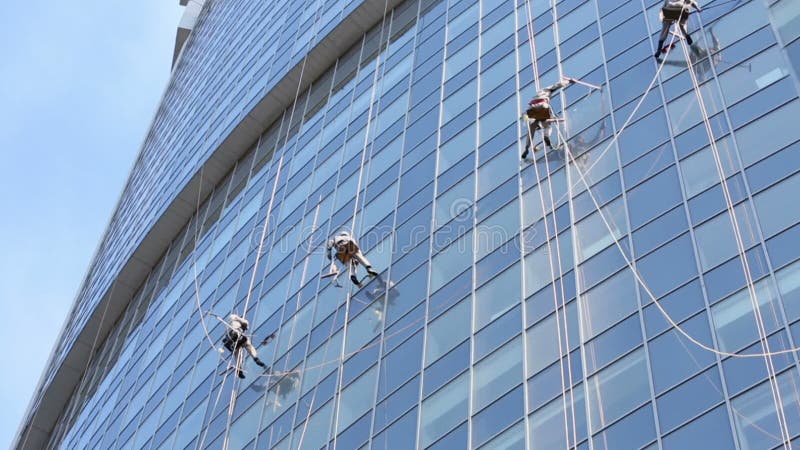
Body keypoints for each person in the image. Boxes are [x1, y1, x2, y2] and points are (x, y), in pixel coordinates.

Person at [521, 77, 577, 159]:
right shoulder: (547, 91)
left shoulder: (535, 97)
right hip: (542, 105)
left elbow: (524, 116)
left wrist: (527, 120)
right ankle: (546, 136)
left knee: (530, 132)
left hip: (531, 109)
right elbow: (558, 85)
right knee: (547, 126)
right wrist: (568, 81)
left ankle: (526, 148)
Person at [222, 314, 272, 379]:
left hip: (230, 338)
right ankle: (256, 358)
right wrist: (244, 324)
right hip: (236, 333)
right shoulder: (235, 317)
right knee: (248, 345)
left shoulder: (227, 326)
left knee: (238, 353)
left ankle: (239, 369)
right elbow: (245, 323)